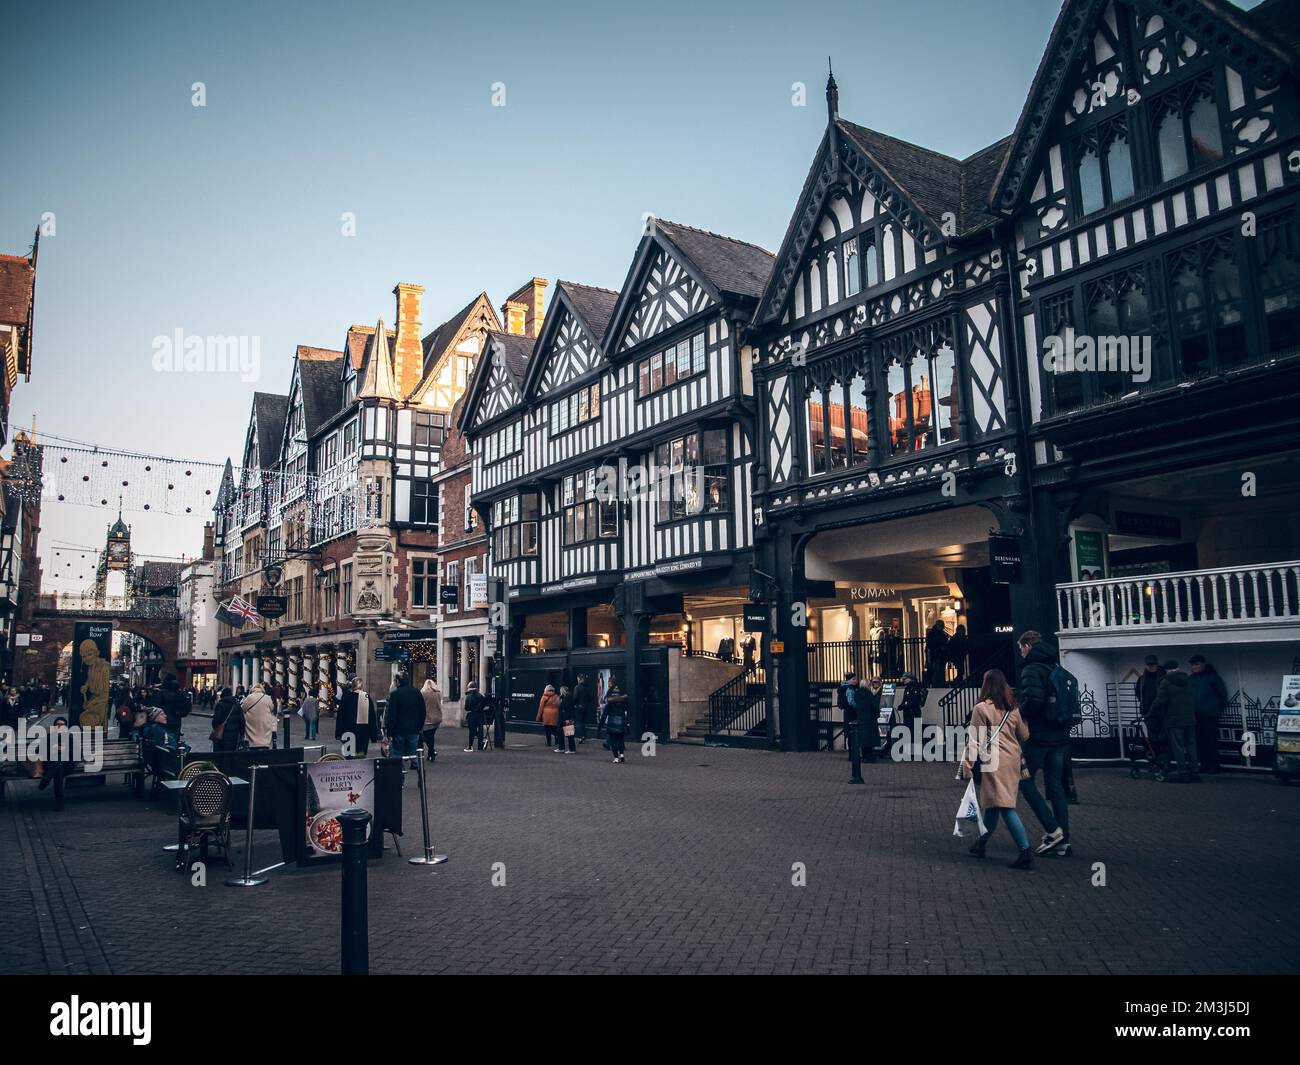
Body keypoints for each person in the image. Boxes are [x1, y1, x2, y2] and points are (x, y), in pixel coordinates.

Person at [961, 670, 1033, 869]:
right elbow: (1024, 735)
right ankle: (981, 843)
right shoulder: (1013, 708)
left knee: (1004, 805)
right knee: (993, 803)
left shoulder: (981, 708)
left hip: (993, 761)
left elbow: (974, 740)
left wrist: (967, 765)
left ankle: (1024, 849)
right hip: (1012, 759)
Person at [1015, 630, 1072, 857]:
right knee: (1055, 785)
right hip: (1060, 734)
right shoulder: (1054, 666)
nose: (1020, 652)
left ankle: (1052, 829)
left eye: (1021, 648)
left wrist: (1018, 716)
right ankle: (1064, 840)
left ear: (1027, 645)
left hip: (1039, 735)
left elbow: (1033, 701)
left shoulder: (1032, 669)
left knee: (1024, 779)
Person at [1152, 660, 1198, 782]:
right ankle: (1195, 773)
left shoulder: (1166, 682)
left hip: (1174, 719)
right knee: (1191, 746)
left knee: (1178, 747)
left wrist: (1149, 713)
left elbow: (1160, 700)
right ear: (1178, 668)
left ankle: (1183, 773)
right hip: (1190, 718)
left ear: (1166, 669)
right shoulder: (1188, 679)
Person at [1188, 654, 1226, 774]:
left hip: (1210, 716)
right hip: (1195, 715)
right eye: (1192, 665)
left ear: (1203, 664)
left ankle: (1214, 765)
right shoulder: (1191, 679)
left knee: (1211, 741)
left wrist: (1217, 711)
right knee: (1199, 742)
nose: (1194, 667)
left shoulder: (1213, 677)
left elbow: (1222, 696)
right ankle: (1204, 765)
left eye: (1197, 664)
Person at [36, 717, 73, 812]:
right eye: (58, 724)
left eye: (62, 725)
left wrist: (65, 750)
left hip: (66, 766)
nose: (60, 726)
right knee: (58, 771)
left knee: (59, 762)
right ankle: (59, 804)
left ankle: (47, 778)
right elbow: (38, 750)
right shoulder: (48, 737)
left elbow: (78, 753)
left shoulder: (70, 737)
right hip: (54, 765)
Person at [335, 677, 378, 757]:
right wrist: (373, 736)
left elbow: (340, 716)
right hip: (362, 732)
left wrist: (338, 733)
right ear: (362, 686)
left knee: (349, 755)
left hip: (348, 731)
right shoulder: (366, 697)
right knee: (360, 755)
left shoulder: (346, 697)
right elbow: (371, 718)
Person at [151, 674, 190, 748]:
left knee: (165, 742)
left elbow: (156, 707)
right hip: (177, 721)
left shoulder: (161, 693)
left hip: (164, 721)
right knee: (174, 740)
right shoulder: (179, 693)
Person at [598, 683, 630, 764]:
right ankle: (622, 755)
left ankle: (616, 758)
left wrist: (599, 727)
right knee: (620, 740)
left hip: (612, 724)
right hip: (621, 723)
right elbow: (625, 714)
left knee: (613, 741)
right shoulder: (622, 704)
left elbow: (604, 716)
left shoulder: (609, 705)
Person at [241, 683, 277, 751]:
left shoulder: (249, 697)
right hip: (264, 723)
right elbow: (272, 708)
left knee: (253, 737)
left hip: (252, 723)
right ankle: (264, 745)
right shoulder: (267, 698)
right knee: (264, 737)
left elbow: (243, 708)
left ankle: (253, 745)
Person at [856, 676, 883, 761]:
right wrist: (877, 715)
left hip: (861, 719)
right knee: (870, 740)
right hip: (870, 719)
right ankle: (869, 757)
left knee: (863, 739)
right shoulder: (869, 694)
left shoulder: (857, 694)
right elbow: (874, 707)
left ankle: (864, 756)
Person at [210, 687, 244, 752]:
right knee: (231, 754)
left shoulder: (220, 705)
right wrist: (241, 734)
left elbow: (216, 720)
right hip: (234, 736)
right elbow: (242, 721)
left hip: (221, 736)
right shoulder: (237, 705)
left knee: (220, 755)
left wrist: (215, 728)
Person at [420, 679, 442, 761]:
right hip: (437, 717)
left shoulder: (423, 693)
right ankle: (431, 754)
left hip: (427, 718)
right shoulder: (438, 693)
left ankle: (432, 751)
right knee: (431, 736)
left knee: (426, 736)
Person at [837, 671, 858, 755]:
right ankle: (853, 754)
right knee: (853, 732)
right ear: (849, 680)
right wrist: (858, 707)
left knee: (849, 733)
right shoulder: (850, 689)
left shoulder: (843, 687)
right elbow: (851, 702)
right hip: (851, 712)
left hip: (847, 713)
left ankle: (851, 753)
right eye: (854, 679)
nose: (856, 680)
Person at [536, 684, 562, 751]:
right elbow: (559, 705)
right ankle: (557, 741)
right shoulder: (557, 696)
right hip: (555, 714)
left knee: (547, 729)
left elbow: (540, 708)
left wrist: (538, 717)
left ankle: (549, 742)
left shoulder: (544, 697)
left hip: (546, 714)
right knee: (554, 728)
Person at [463, 681, 487, 752]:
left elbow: (466, 708)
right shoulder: (480, 696)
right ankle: (480, 745)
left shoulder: (468, 696)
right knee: (480, 730)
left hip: (472, 715)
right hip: (480, 715)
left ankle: (470, 746)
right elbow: (483, 705)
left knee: (472, 731)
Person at [926, 619, 950, 685]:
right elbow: (931, 644)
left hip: (939, 655)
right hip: (936, 655)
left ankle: (939, 682)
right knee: (938, 670)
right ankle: (938, 683)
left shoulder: (934, 633)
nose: (942, 627)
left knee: (940, 670)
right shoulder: (934, 634)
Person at [573, 673, 595, 743]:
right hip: (586, 707)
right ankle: (584, 735)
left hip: (579, 707)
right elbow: (591, 698)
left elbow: (575, 697)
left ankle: (581, 736)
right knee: (583, 722)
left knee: (579, 722)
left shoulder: (577, 687)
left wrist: (575, 705)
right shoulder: (587, 688)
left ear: (579, 679)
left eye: (578, 679)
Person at [558, 684, 577, 754]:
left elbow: (568, 708)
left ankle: (572, 749)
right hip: (564, 717)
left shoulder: (567, 697)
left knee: (569, 734)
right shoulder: (564, 697)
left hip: (567, 718)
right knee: (561, 732)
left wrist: (567, 718)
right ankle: (562, 748)